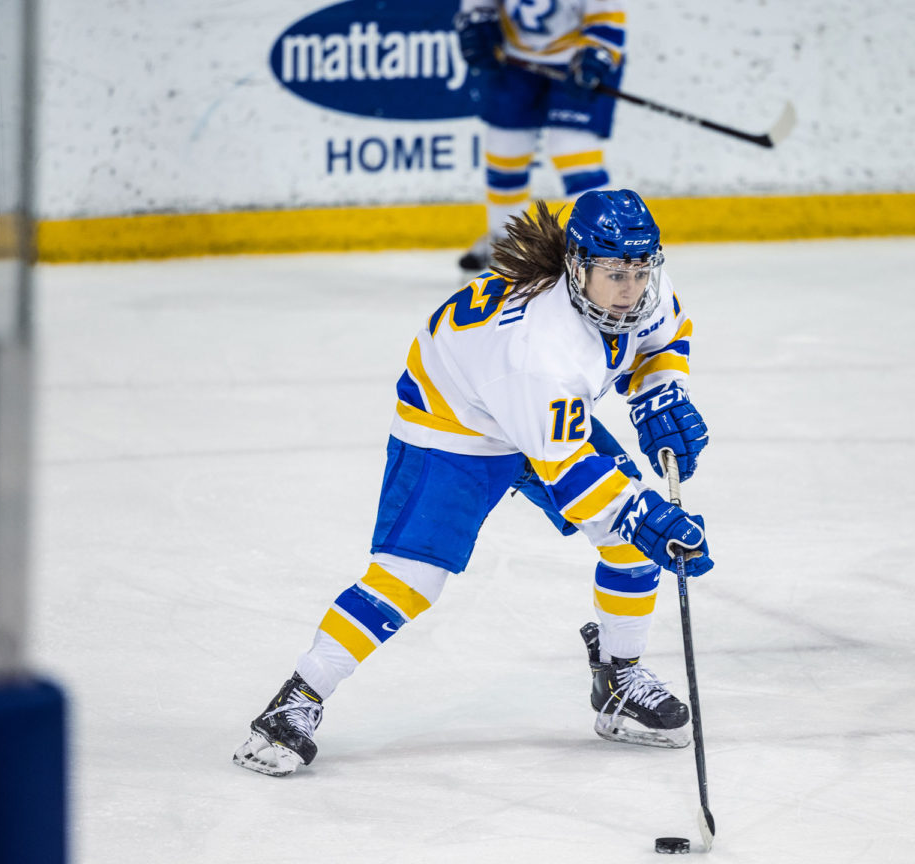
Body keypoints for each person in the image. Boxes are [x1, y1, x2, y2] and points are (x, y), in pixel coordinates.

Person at [234, 189, 713, 776]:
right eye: (616, 274)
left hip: (534, 414)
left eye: (641, 272)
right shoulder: (540, 351)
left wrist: (661, 392)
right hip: (453, 424)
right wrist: (642, 515)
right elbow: (571, 472)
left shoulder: (637, 288)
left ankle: (618, 680)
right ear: (578, 267)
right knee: (410, 580)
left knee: (629, 543)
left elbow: (663, 337)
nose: (632, 289)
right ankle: (295, 700)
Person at [453, 0, 626, 271]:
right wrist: (477, 24)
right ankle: (504, 240)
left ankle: (606, 247)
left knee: (572, 150)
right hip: (516, 60)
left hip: (578, 58)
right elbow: (479, 8)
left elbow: (607, 18)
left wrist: (596, 58)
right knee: (504, 149)